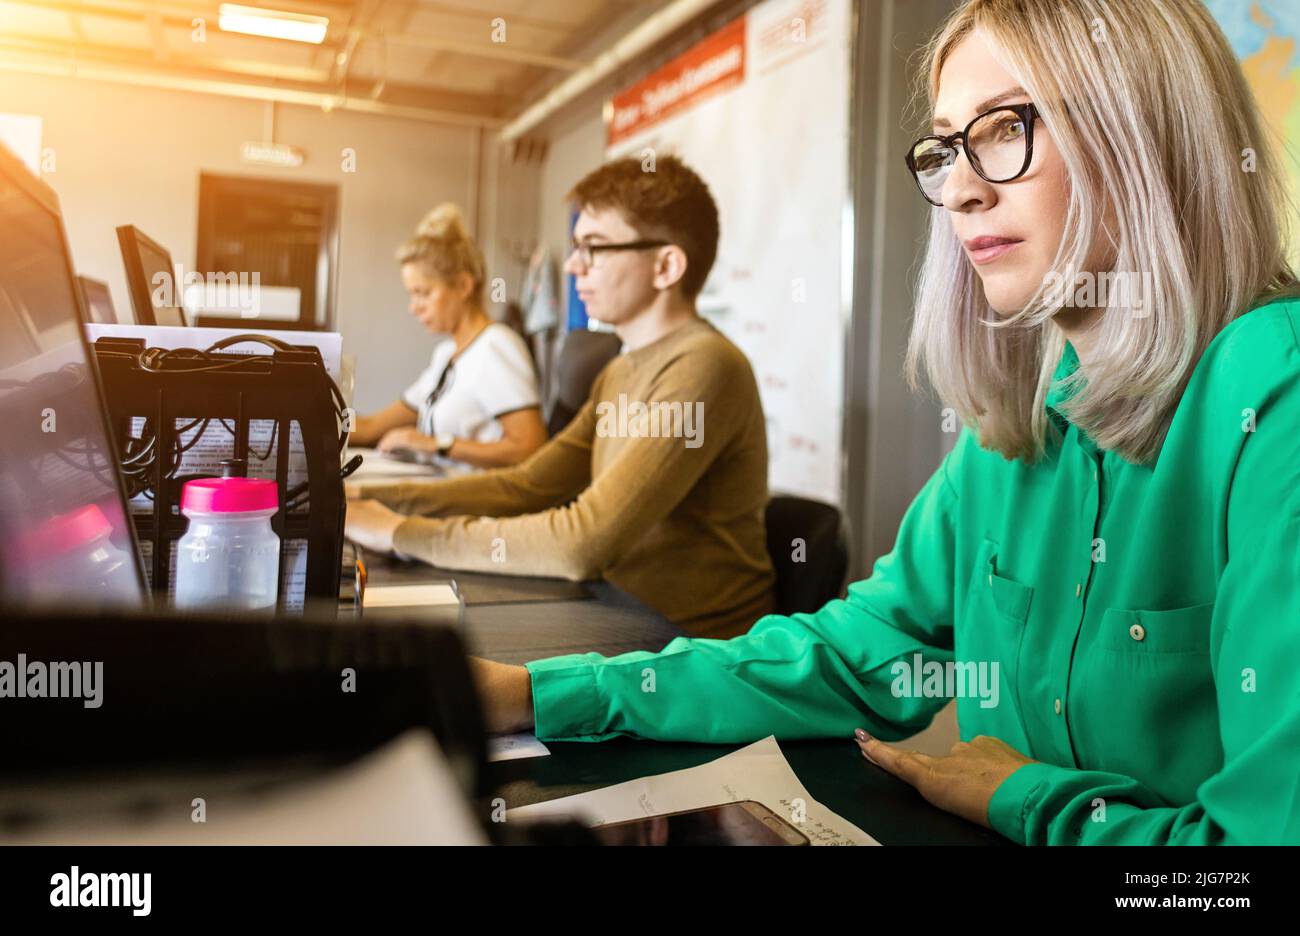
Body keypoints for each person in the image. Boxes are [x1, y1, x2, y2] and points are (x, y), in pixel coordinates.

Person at [467, 0, 1300, 845]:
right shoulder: (1018, 421)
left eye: (1006, 127)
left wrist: (1037, 802)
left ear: (1148, 134)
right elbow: (861, 651)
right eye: (947, 148)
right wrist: (542, 694)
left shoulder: (1276, 391)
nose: (963, 190)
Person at [346, 156, 775, 638]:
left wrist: (397, 531)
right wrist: (367, 496)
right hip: (615, 612)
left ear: (666, 265)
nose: (573, 266)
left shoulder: (703, 365)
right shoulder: (618, 369)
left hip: (691, 646)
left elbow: (583, 542)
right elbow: (527, 485)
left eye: (593, 248)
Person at [349, 204, 546, 470]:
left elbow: (530, 447)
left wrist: (437, 444)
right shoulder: (446, 354)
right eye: (412, 294)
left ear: (464, 286)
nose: (414, 306)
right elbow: (372, 427)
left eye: (424, 293)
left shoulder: (497, 346)